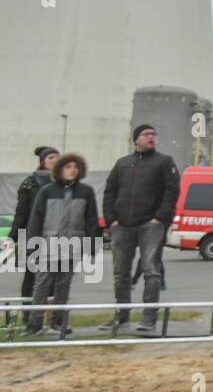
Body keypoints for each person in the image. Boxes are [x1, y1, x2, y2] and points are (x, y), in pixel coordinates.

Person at [101, 125, 180, 335]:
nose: (151, 137)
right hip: (122, 225)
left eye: (154, 134)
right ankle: (122, 314)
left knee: (151, 270)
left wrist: (159, 218)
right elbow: (109, 191)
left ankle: (149, 318)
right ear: (136, 139)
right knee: (120, 273)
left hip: (150, 225)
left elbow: (172, 191)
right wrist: (111, 219)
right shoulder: (122, 163)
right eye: (146, 134)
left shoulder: (164, 162)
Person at [25, 153, 99, 336]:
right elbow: (36, 219)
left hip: (73, 246)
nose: (72, 170)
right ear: (59, 169)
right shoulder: (47, 191)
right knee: (42, 284)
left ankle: (57, 322)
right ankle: (34, 324)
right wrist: (32, 245)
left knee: (63, 286)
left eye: (76, 167)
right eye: (68, 167)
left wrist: (92, 246)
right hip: (48, 245)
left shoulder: (86, 192)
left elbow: (91, 220)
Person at [1, 145, 59, 328]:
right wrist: (12, 238)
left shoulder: (62, 182)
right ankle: (29, 317)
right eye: (50, 158)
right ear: (42, 161)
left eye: (57, 157)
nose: (54, 161)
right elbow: (21, 213)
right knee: (32, 278)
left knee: (55, 279)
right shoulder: (30, 183)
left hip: (57, 237)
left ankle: (52, 320)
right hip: (33, 236)